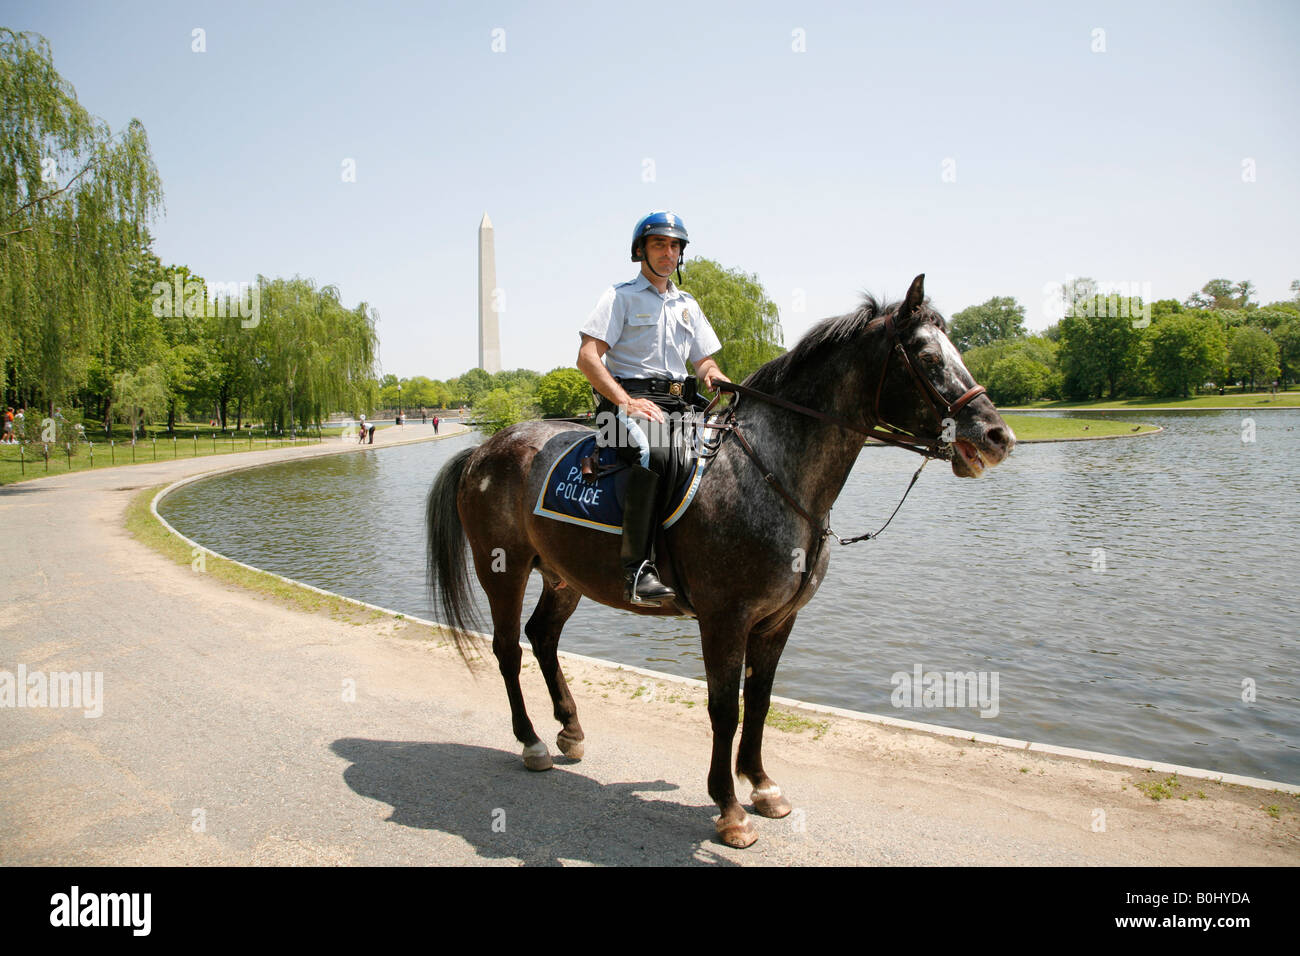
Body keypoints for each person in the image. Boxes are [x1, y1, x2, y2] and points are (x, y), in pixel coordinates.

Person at [577, 210, 730, 606]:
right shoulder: (620, 297)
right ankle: (637, 569)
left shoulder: (688, 305)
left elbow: (704, 362)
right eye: (659, 244)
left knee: (727, 454)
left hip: (679, 404)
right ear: (640, 251)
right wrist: (625, 401)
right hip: (627, 403)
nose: (669, 252)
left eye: (675, 245)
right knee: (657, 453)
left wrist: (715, 375)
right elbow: (588, 358)